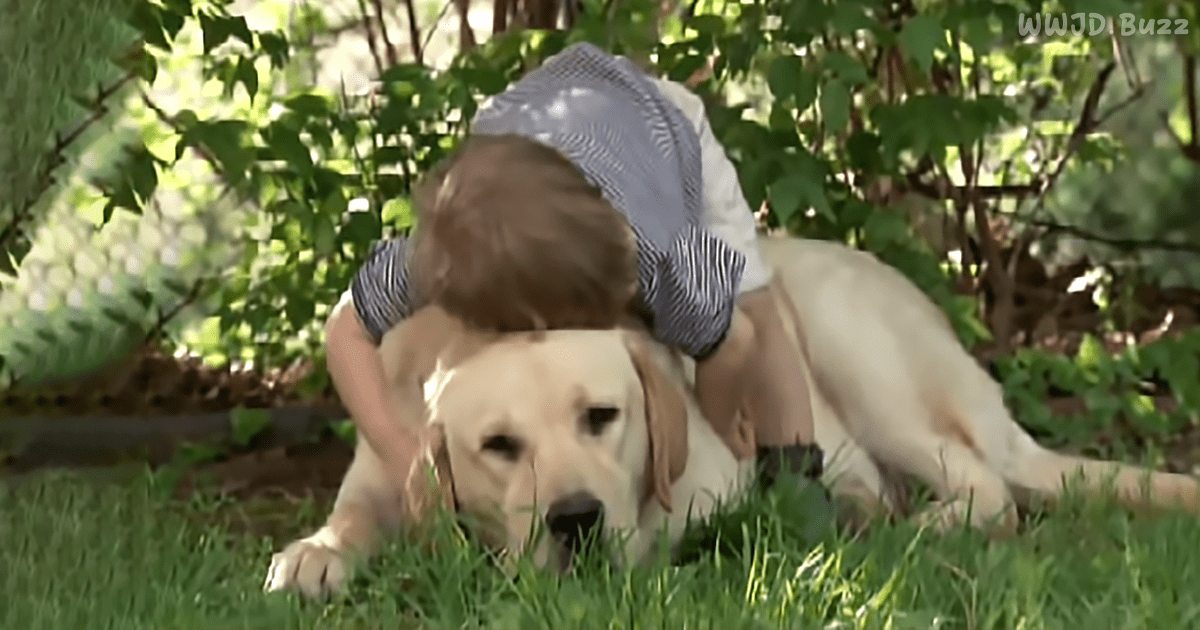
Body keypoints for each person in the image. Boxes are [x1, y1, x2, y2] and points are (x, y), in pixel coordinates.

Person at [325, 42, 825, 498]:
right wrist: (398, 451)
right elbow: (345, 332)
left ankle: (800, 479)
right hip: (531, 116)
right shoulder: (436, 255)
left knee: (757, 302)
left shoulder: (658, 258)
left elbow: (735, 341)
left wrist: (718, 421)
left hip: (661, 124)